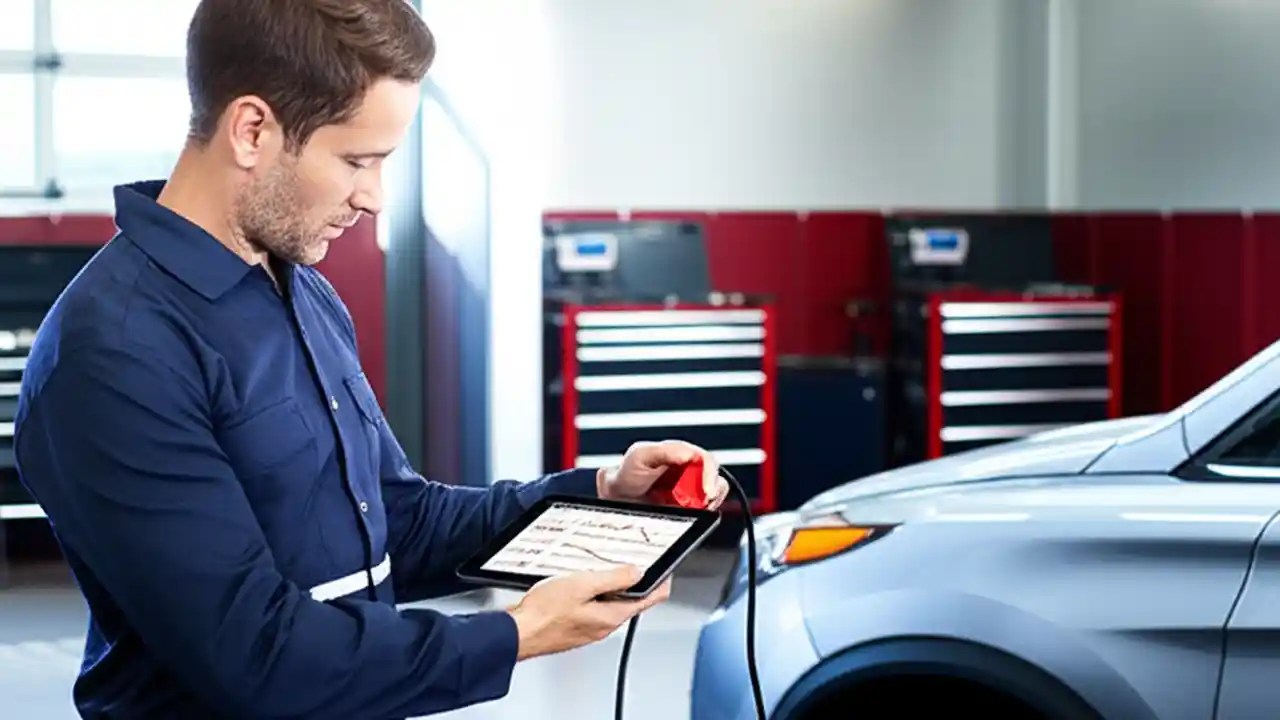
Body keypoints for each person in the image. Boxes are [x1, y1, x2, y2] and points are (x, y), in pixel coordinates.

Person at [12, 1, 730, 718]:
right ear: (252, 130)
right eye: (358, 160)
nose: (374, 198)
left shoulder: (302, 291)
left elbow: (396, 524)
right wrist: (515, 635)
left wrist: (597, 499)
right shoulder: (114, 349)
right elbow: (253, 655)